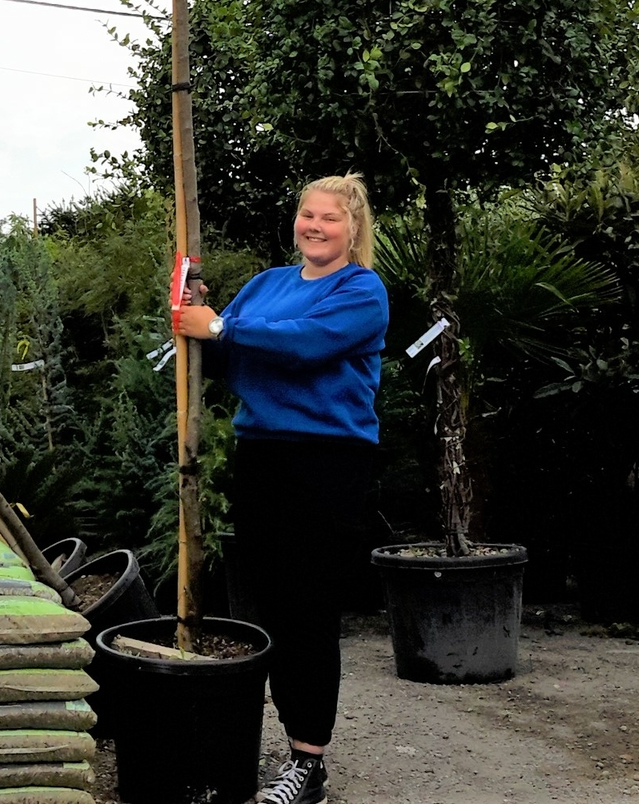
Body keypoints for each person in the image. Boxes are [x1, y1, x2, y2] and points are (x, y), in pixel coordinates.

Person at [176, 173, 388, 804]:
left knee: (307, 612)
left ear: (353, 230)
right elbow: (226, 359)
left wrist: (219, 329)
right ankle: (246, 745)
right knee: (261, 607)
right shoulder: (267, 285)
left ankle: (308, 762)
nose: (314, 227)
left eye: (330, 218)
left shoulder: (362, 291)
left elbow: (303, 346)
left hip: (327, 465)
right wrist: (194, 321)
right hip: (261, 458)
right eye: (307, 215)